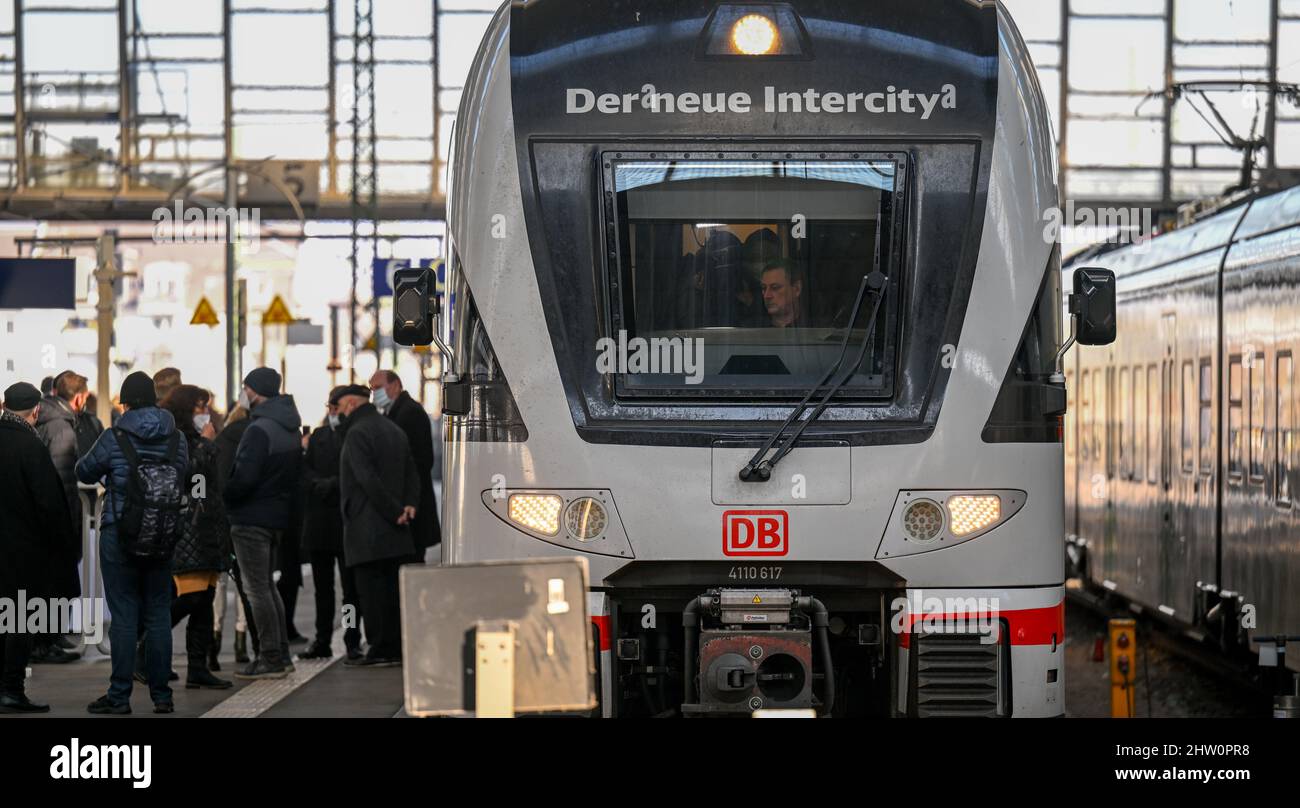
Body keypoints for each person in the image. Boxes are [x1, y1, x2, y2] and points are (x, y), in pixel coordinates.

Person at [76, 371, 188, 715]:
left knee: (124, 615)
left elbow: (84, 471)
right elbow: (185, 474)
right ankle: (162, 696)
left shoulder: (115, 435)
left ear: (125, 402)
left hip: (120, 533)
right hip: (163, 533)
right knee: (157, 613)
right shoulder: (177, 438)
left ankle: (119, 696)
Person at [0, 382, 79, 713]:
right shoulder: (30, 447)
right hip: (23, 551)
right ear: (34, 411)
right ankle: (11, 690)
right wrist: (63, 545)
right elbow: (49, 502)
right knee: (19, 622)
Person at [222, 367, 303, 679]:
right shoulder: (289, 427)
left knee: (257, 589)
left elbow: (244, 477)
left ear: (255, 391)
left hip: (250, 517)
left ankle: (270, 656)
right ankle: (280, 653)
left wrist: (225, 495)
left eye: (246, 387)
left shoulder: (258, 430)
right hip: (276, 516)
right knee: (268, 587)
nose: (244, 393)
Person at [335, 385, 420, 667]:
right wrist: (408, 505)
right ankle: (395, 647)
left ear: (349, 404)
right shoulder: (392, 429)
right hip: (396, 531)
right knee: (392, 592)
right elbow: (412, 470)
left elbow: (366, 479)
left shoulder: (357, 433)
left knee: (369, 594)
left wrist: (393, 511)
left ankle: (379, 648)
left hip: (368, 527)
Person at [157, 385, 233, 690]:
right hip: (190, 529)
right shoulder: (178, 440)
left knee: (205, 599)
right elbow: (193, 479)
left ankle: (197, 666)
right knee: (191, 597)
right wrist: (205, 445)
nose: (205, 413)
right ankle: (145, 649)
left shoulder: (197, 440)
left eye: (207, 406)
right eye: (200, 407)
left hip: (207, 529)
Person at [298, 386, 363, 661]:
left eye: (337, 408)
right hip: (321, 524)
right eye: (331, 408)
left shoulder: (353, 435)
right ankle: (322, 638)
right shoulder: (319, 437)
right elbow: (304, 470)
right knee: (323, 589)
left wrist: (330, 484)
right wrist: (320, 484)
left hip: (345, 523)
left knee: (350, 591)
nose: (333, 413)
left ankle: (351, 638)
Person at [32, 371, 91, 664]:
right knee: (55, 581)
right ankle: (47, 641)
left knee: (46, 581)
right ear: (79, 397)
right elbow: (61, 479)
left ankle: (48, 637)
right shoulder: (62, 429)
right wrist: (66, 523)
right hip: (57, 517)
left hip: (40, 517)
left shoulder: (45, 417)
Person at [369, 370, 440, 560]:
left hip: (412, 503)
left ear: (395, 385)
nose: (374, 393)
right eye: (371, 389)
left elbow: (420, 460)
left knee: (411, 559)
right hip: (408, 502)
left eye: (378, 388)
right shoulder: (395, 411)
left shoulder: (409, 413)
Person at [212, 403, 256, 668]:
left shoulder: (220, 441)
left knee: (219, 582)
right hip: (248, 519)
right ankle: (242, 641)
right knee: (246, 583)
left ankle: (214, 639)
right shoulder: (257, 437)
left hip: (220, 519)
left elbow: (208, 481)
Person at [760, 259, 805, 328]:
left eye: (775, 288)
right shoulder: (751, 328)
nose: (766, 295)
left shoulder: (816, 327)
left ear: (797, 289)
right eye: (764, 288)